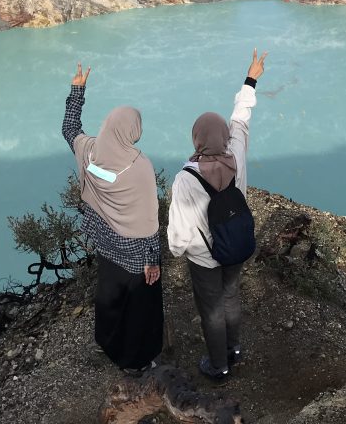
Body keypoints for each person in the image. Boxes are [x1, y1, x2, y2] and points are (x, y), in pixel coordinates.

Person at [167, 49, 267, 381]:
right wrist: (251, 79)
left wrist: (178, 250)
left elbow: (179, 230)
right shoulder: (236, 153)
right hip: (236, 245)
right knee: (231, 295)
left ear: (196, 139)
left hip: (204, 257)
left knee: (211, 308)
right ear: (223, 137)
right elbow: (240, 120)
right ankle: (234, 349)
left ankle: (219, 366)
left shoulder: (186, 178)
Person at [61, 62, 163, 374]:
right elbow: (149, 222)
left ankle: (108, 343)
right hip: (134, 253)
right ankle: (135, 362)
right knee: (139, 310)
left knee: (110, 298)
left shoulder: (90, 151)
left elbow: (70, 130)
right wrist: (153, 261)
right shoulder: (139, 166)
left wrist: (77, 91)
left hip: (105, 243)